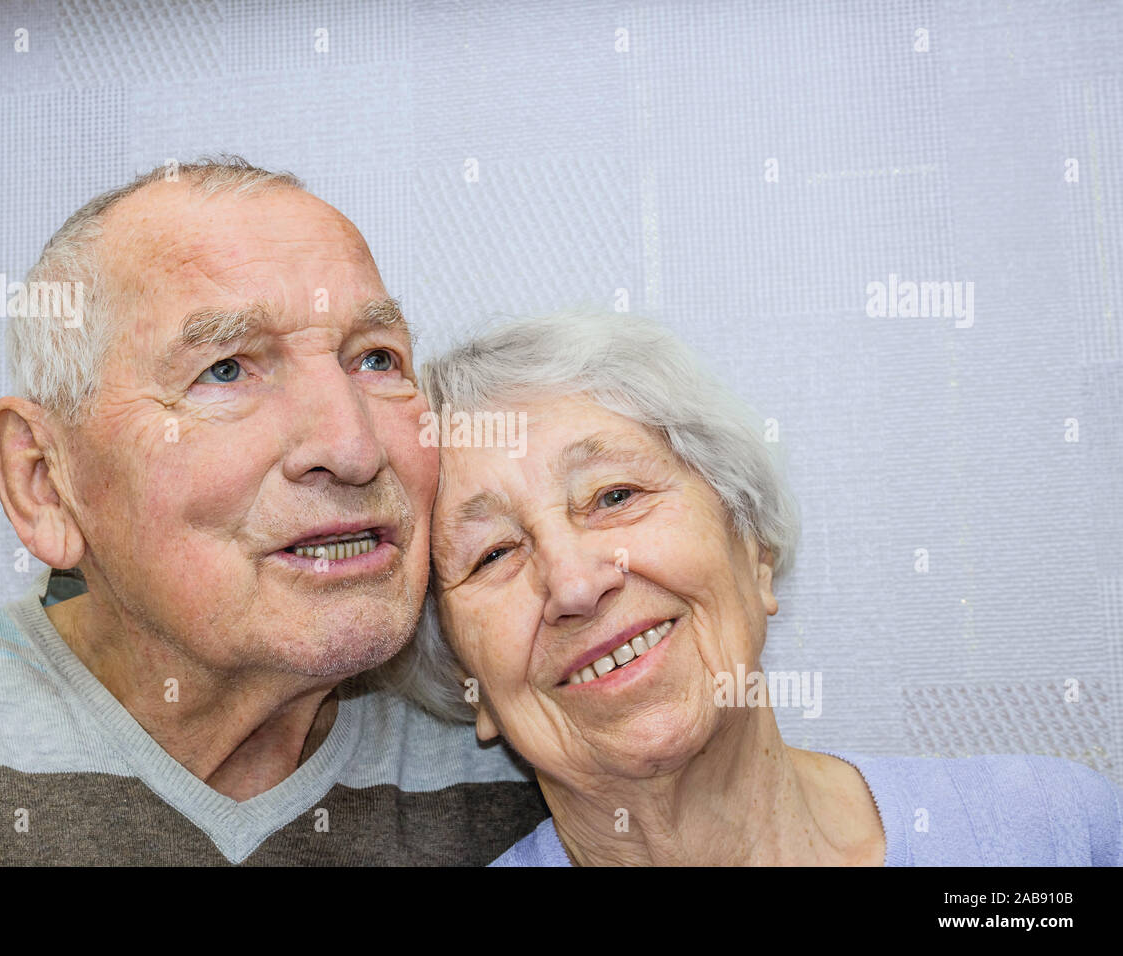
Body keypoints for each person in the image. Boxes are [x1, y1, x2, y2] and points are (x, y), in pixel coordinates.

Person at [0, 158, 546, 865]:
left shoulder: (530, 744)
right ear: (44, 480)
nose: (351, 446)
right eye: (225, 370)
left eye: (376, 359)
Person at [415, 309, 1123, 866]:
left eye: (614, 495)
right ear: (464, 678)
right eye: (494, 554)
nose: (574, 583)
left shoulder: (1053, 834)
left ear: (753, 548)